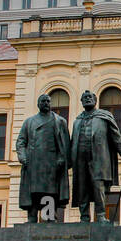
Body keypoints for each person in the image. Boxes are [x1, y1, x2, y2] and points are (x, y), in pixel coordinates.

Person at [69, 89, 121, 223]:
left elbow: (116, 138)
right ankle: (84, 216)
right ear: (81, 102)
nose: (88, 99)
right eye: (85, 97)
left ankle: (100, 215)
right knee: (82, 187)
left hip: (99, 158)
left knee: (98, 186)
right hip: (80, 158)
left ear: (96, 100)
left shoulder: (104, 117)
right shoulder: (77, 121)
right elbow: (72, 143)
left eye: (90, 97)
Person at [16, 93, 70, 222]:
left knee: (50, 191)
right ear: (38, 104)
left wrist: (62, 158)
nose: (46, 103)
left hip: (52, 162)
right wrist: (22, 156)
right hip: (33, 162)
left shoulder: (59, 121)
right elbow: (21, 141)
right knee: (33, 192)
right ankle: (32, 217)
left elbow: (66, 143)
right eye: (43, 101)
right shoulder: (29, 122)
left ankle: (50, 217)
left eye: (48, 101)